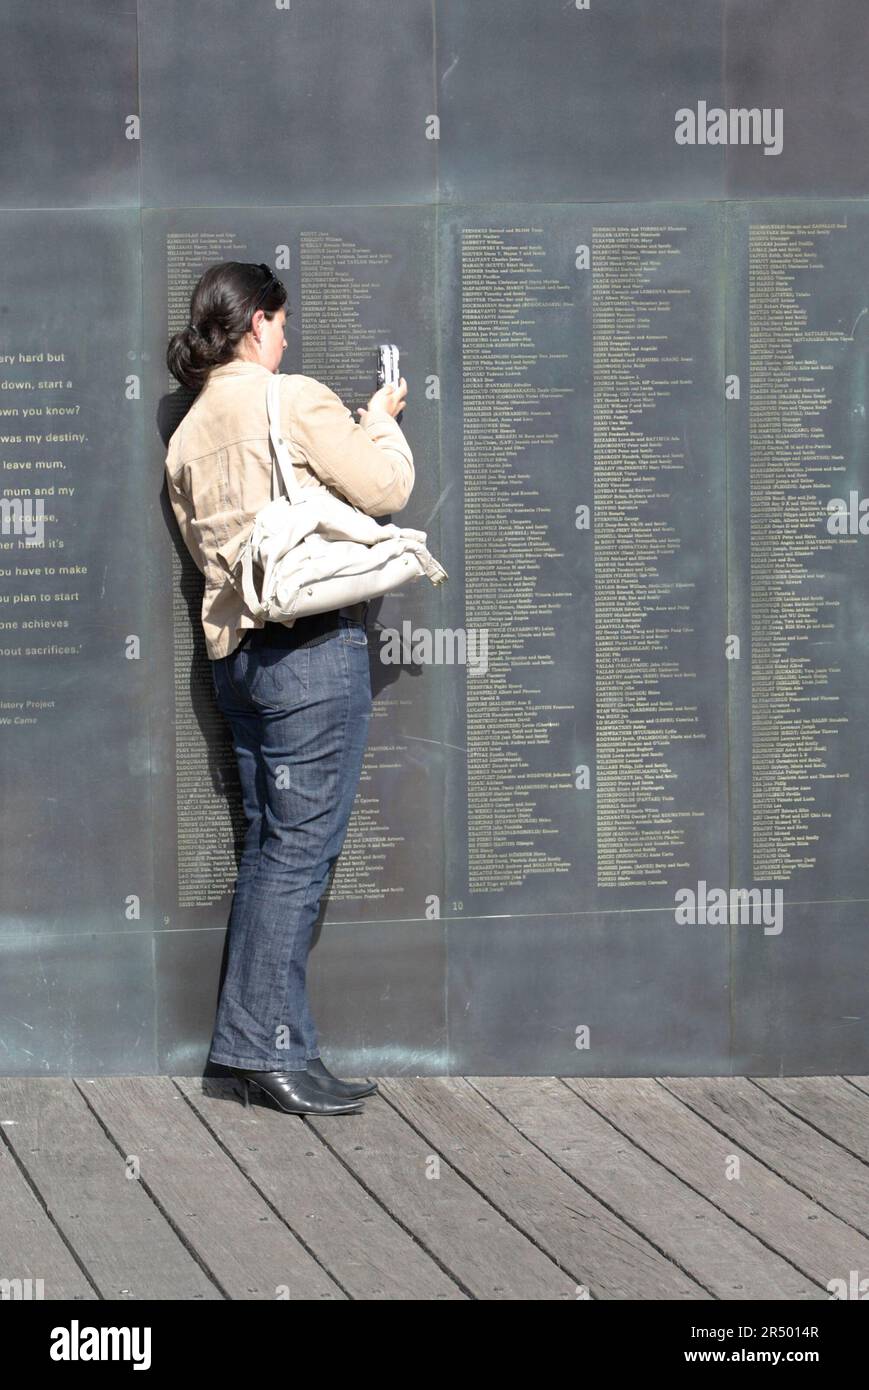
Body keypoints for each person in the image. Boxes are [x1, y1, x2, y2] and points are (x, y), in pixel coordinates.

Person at [164, 261, 413, 1116]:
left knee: (274, 853)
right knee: (297, 858)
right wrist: (378, 422)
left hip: (235, 657)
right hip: (306, 649)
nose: (287, 337)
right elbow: (385, 489)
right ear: (260, 324)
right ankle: (259, 1049)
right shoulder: (290, 396)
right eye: (282, 321)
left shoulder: (188, 431)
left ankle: (273, 1048)